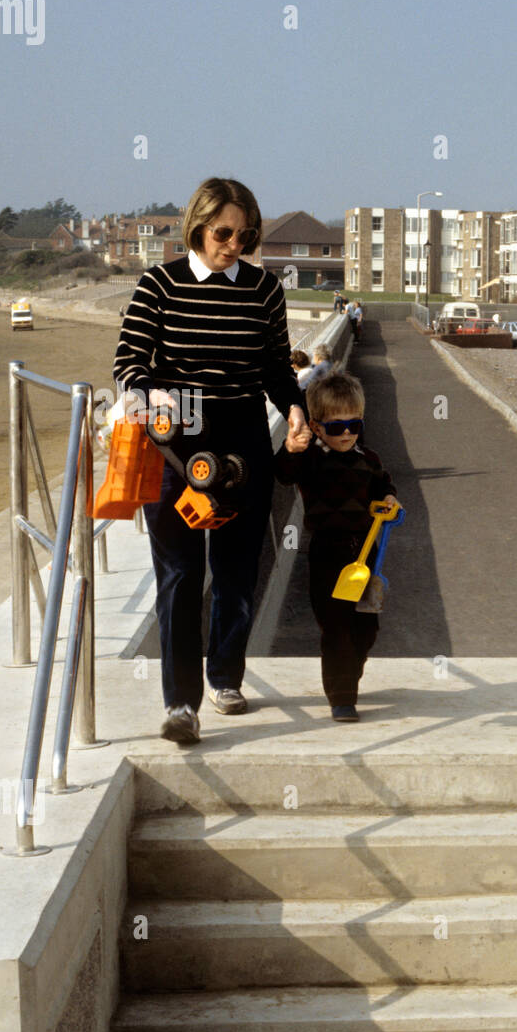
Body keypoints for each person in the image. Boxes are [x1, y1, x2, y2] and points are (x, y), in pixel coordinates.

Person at [113, 176, 310, 744]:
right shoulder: (159, 284)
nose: (235, 244)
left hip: (245, 439)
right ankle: (180, 703)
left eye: (246, 235)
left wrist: (295, 410)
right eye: (224, 232)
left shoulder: (265, 291)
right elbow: (128, 361)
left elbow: (276, 368)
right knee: (178, 573)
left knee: (237, 572)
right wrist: (150, 393)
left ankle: (225, 676)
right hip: (176, 444)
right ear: (197, 227)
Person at [275, 370, 396, 722]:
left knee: (366, 627)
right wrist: (291, 447)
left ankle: (349, 673)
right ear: (316, 426)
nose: (345, 434)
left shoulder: (369, 460)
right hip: (328, 553)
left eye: (353, 425)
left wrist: (389, 498)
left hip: (366, 553)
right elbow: (283, 473)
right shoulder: (311, 459)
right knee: (336, 626)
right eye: (335, 427)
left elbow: (383, 487)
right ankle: (342, 695)